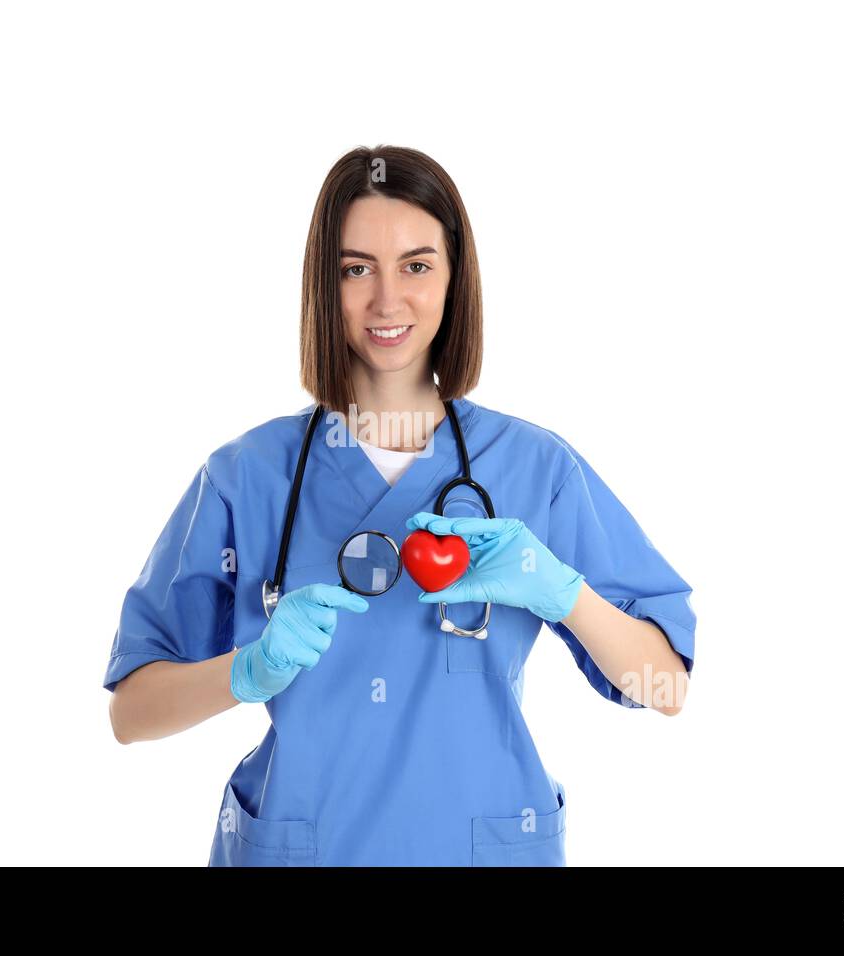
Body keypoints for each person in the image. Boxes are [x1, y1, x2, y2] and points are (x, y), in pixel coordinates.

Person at [103, 145, 696, 866]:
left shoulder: (537, 470)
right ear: (325, 285)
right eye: (356, 269)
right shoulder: (247, 477)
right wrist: (247, 671)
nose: (387, 301)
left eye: (416, 265)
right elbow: (130, 714)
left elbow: (664, 686)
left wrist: (561, 591)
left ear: (454, 279)